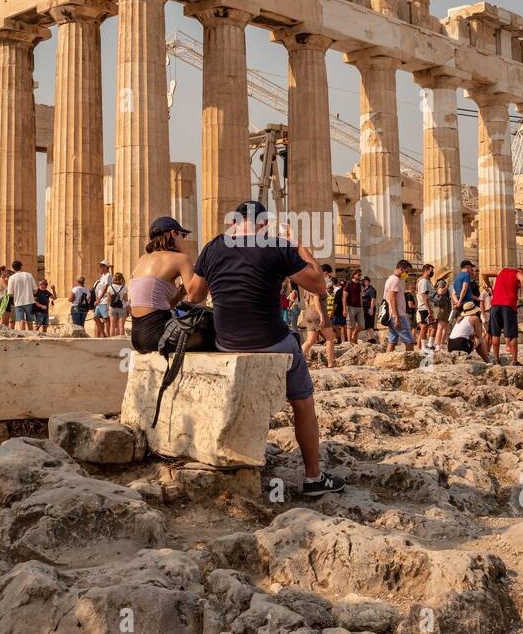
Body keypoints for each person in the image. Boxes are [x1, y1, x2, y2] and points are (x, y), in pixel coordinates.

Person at [188, 201, 346, 497]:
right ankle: (313, 477)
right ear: (263, 224)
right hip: (269, 339)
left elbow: (195, 294)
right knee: (303, 402)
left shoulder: (213, 246)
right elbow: (319, 284)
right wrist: (297, 245)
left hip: (225, 341)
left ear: (234, 222)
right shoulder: (276, 245)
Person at [128, 216, 196, 353]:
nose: (184, 240)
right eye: (183, 235)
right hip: (157, 336)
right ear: (173, 233)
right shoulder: (181, 259)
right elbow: (195, 297)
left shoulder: (143, 259)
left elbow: (163, 305)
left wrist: (181, 292)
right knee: (212, 335)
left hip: (137, 338)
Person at [483, 265, 523, 366]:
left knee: (495, 334)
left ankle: (497, 359)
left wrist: (489, 286)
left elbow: (484, 273)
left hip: (495, 305)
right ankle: (514, 360)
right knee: (512, 334)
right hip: (508, 305)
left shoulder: (501, 271)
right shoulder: (518, 273)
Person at [383, 259, 415, 353]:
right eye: (407, 271)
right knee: (409, 340)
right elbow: (392, 299)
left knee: (392, 341)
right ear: (401, 269)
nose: (407, 274)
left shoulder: (390, 279)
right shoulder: (395, 280)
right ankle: (411, 362)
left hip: (392, 314)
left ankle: (386, 361)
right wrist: (397, 317)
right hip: (398, 315)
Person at [6, 260, 38, 332]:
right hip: (29, 301)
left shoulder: (12, 278)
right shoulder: (29, 275)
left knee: (21, 320)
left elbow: (10, 293)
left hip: (18, 302)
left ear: (13, 268)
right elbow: (35, 289)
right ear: (21, 266)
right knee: (30, 321)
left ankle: (23, 335)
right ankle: (31, 335)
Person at [91, 260, 114, 338]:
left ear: (105, 267)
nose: (100, 268)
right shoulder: (102, 276)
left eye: (101, 266)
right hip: (100, 301)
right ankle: (103, 335)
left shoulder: (108, 275)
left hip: (104, 300)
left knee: (106, 319)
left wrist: (98, 299)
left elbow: (106, 287)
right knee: (95, 317)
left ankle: (108, 335)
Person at [415, 264, 434, 349]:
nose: (432, 272)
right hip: (424, 307)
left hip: (426, 307)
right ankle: (424, 346)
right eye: (431, 270)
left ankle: (427, 345)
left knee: (429, 326)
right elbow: (424, 296)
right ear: (426, 270)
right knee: (424, 327)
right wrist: (429, 309)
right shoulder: (424, 282)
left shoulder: (427, 281)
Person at [431, 275, 452, 350]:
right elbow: (440, 292)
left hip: (445, 308)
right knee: (440, 327)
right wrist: (447, 286)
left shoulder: (441, 282)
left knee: (445, 327)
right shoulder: (441, 282)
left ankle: (441, 344)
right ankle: (437, 344)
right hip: (442, 308)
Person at [343, 269, 364, 343]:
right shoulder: (349, 283)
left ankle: (354, 335)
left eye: (360, 274)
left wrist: (362, 307)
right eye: (358, 275)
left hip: (359, 307)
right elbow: (344, 297)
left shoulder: (359, 284)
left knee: (361, 325)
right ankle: (350, 342)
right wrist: (344, 309)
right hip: (350, 307)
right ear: (354, 275)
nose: (360, 276)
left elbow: (360, 296)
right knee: (350, 326)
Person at [108, 272, 128, 337]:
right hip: (121, 307)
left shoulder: (110, 287)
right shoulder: (124, 288)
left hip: (112, 308)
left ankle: (111, 340)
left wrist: (109, 307)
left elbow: (108, 299)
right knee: (121, 325)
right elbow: (126, 300)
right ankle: (121, 340)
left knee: (112, 325)